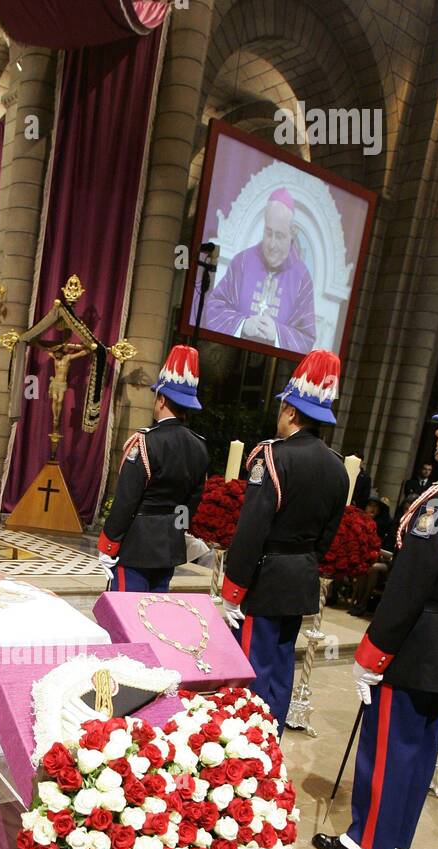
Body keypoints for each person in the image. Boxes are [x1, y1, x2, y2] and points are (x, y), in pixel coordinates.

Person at [313, 384, 438, 849]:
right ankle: (397, 840)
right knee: (421, 745)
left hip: (418, 639)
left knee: (389, 743)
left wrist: (372, 653)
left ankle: (370, 843)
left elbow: (409, 586)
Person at [221, 349, 349, 735]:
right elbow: (329, 533)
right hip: (301, 574)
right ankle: (271, 736)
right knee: (280, 663)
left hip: (266, 577)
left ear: (291, 412)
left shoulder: (272, 457)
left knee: (252, 662)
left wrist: (233, 587)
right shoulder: (338, 467)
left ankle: (248, 742)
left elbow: (253, 529)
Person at [97, 345, 209, 592]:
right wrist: (175, 532)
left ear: (161, 398)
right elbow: (190, 502)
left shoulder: (146, 441)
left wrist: (108, 545)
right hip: (169, 547)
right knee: (152, 619)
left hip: (137, 547)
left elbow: (127, 500)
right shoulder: (200, 446)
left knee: (127, 620)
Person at [203, 189, 316, 354]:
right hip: (229, 356)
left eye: (280, 236)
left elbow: (307, 337)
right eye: (268, 233)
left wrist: (276, 332)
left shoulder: (302, 277)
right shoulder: (242, 261)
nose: (272, 244)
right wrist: (243, 324)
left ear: (292, 234)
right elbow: (214, 308)